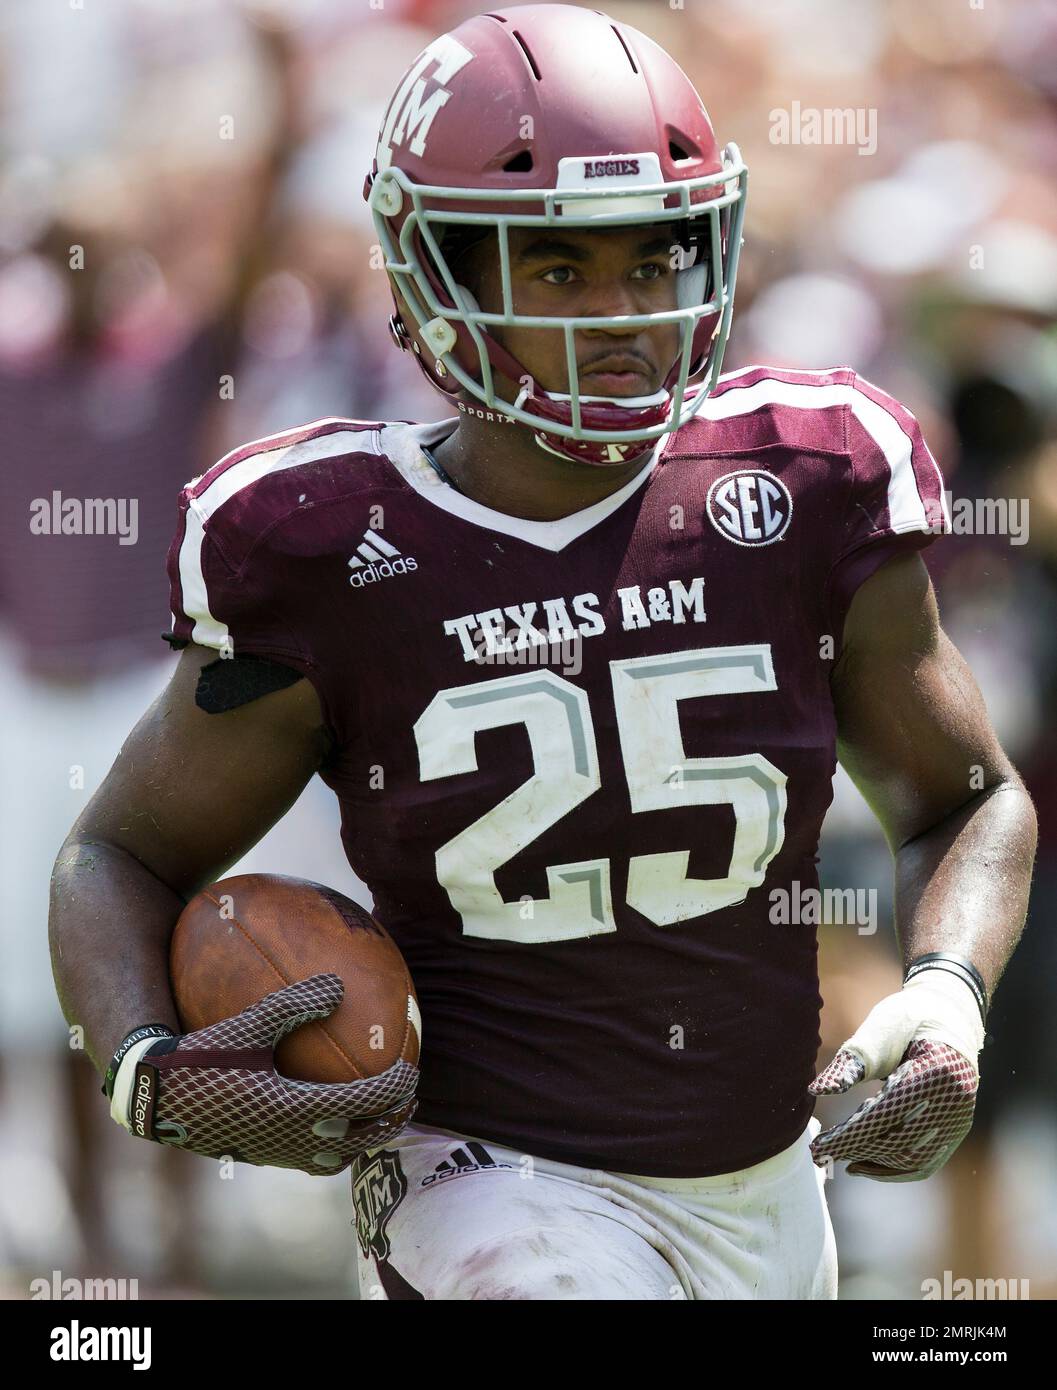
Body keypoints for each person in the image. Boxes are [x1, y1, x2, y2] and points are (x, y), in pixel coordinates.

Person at [49, 4, 1037, 1301]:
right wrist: (144, 1061)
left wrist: (944, 992)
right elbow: (117, 852)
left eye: (655, 257)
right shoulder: (326, 544)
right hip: (488, 1188)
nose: (620, 312)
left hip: (764, 1190)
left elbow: (964, 798)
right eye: (560, 270)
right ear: (435, 278)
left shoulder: (802, 478)